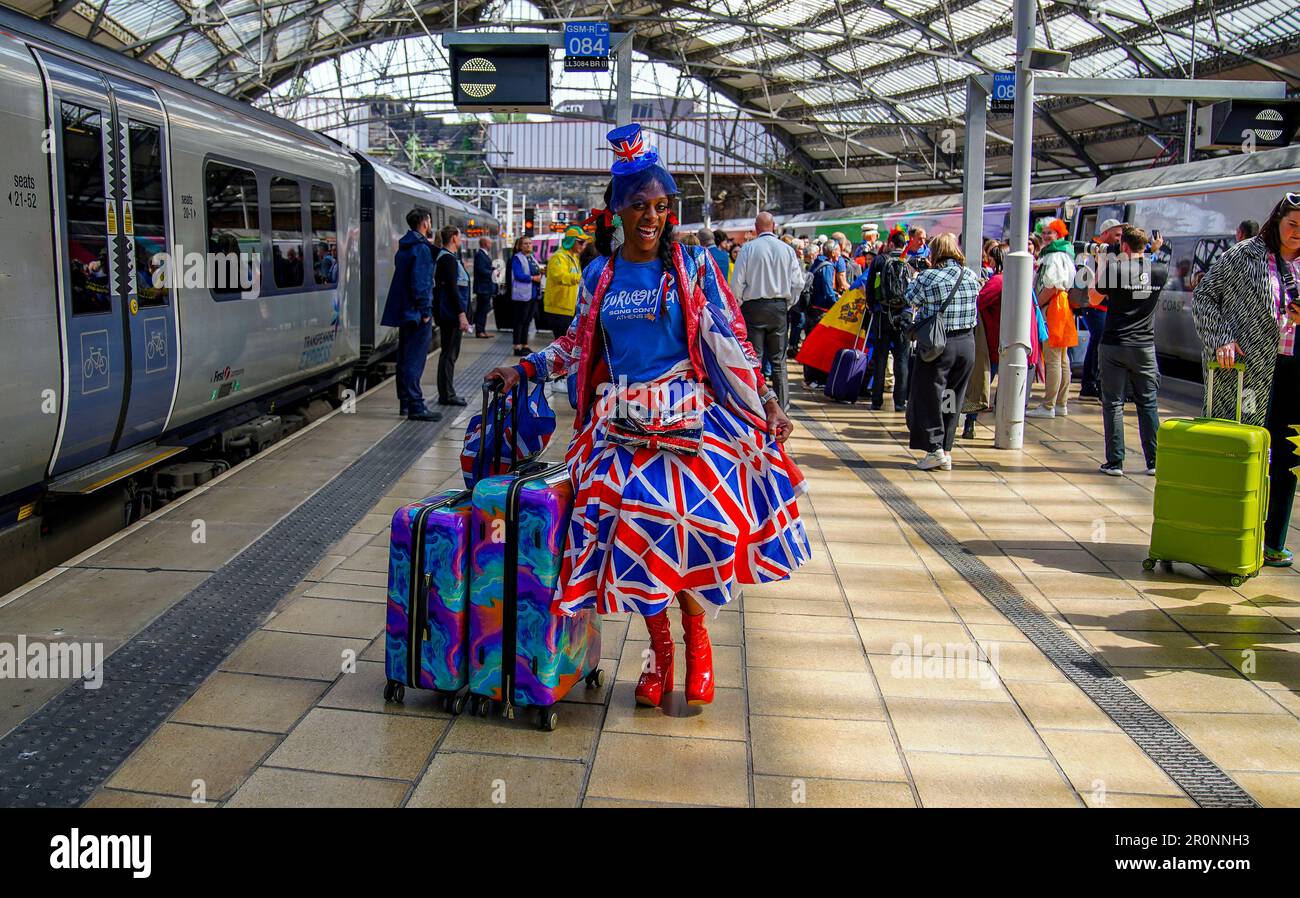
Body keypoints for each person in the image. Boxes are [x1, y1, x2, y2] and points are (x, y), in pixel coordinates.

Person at [484, 123, 809, 709]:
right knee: (633, 540)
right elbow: (579, 347)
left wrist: (768, 402)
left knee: (684, 534)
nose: (653, 217)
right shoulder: (598, 276)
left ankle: (698, 645)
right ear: (618, 213)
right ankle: (660, 657)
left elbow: (733, 339)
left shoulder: (696, 269)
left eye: (662, 206)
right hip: (619, 426)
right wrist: (524, 369)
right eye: (640, 206)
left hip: (689, 421)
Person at [1193, 193, 1300, 567]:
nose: (1298, 234)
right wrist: (1221, 337)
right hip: (1248, 371)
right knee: (1241, 450)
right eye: (1293, 225)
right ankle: (1226, 535)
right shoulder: (1246, 255)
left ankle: (1273, 541)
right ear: (1277, 221)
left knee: (1288, 455)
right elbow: (1205, 296)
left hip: (1293, 371)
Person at [1090, 226, 1164, 476]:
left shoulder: (1115, 269)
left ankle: (1115, 462)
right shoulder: (1159, 270)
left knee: (1113, 404)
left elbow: (1093, 298)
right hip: (1144, 346)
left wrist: (1100, 261)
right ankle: (1154, 461)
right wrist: (1154, 252)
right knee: (1148, 403)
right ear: (1145, 246)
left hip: (1114, 344)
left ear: (1123, 246)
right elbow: (1144, 269)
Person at [905, 233, 980, 470]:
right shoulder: (970, 275)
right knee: (952, 397)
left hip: (939, 345)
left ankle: (933, 449)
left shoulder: (929, 276)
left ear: (934, 252)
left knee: (929, 395)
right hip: (967, 344)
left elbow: (909, 298)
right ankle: (947, 448)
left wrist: (917, 275)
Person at [731, 211, 805, 409]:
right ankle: (783, 406)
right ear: (773, 227)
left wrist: (738, 304)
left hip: (753, 308)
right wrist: (787, 304)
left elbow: (737, 283)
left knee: (754, 359)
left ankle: (756, 405)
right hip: (779, 308)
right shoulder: (787, 250)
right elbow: (798, 282)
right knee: (779, 361)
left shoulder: (748, 249)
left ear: (756, 228)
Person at [380, 208, 441, 422]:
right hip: (417, 314)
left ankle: (405, 403)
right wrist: (425, 311)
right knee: (415, 359)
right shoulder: (421, 248)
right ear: (425, 222)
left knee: (404, 359)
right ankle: (416, 405)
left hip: (405, 312)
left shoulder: (405, 246)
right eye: (430, 220)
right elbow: (421, 282)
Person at [1027, 219, 1079, 418]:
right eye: (1045, 232)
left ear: (1059, 233)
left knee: (1053, 358)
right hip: (1061, 306)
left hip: (1053, 307)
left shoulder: (1054, 255)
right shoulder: (1064, 252)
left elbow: (1053, 285)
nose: (1047, 236)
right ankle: (1060, 404)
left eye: (1051, 233)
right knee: (1062, 358)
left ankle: (1048, 405)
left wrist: (1037, 304)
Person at [862, 228, 914, 413]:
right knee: (902, 359)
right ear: (905, 244)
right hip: (904, 317)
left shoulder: (879, 260)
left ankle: (876, 401)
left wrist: (874, 307)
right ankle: (900, 402)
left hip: (883, 314)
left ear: (891, 243)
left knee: (880, 358)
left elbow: (870, 288)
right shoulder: (909, 262)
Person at [1078, 218, 1126, 398]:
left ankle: (1093, 382)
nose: (1119, 239)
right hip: (1093, 305)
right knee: (1098, 339)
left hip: (1105, 307)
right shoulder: (1091, 252)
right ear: (1105, 233)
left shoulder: (1114, 253)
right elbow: (1085, 277)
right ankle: (1089, 383)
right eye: (1117, 235)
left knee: (1099, 341)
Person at [962, 241, 1003, 439]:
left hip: (992, 344)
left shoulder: (997, 282)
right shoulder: (1017, 279)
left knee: (979, 385)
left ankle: (969, 424)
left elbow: (978, 302)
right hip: (1014, 345)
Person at [432, 226, 472, 407]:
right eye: (460, 235)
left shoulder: (448, 258)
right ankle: (447, 394)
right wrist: (461, 314)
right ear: (454, 237)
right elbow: (451, 289)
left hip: (449, 313)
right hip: (450, 314)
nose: (461, 238)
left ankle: (448, 392)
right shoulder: (447, 259)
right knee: (449, 354)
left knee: (449, 353)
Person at [803, 239, 840, 390]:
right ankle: (816, 379)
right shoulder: (827, 267)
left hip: (812, 310)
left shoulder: (817, 263)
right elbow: (827, 291)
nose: (840, 253)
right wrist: (837, 302)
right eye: (838, 250)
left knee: (812, 344)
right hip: (821, 312)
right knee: (820, 347)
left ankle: (810, 377)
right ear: (832, 252)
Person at [543, 226, 587, 339]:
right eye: (580, 242)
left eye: (584, 242)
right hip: (559, 308)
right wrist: (583, 277)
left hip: (569, 308)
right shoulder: (558, 257)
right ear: (571, 241)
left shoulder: (574, 258)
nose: (583, 246)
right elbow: (561, 277)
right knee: (561, 342)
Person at [510, 235, 541, 354]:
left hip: (533, 294)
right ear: (520, 246)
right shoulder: (517, 258)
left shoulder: (532, 258)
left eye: (530, 243)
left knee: (528, 320)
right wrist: (533, 278)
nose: (528, 245)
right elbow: (518, 275)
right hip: (522, 296)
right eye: (525, 243)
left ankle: (525, 344)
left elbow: (535, 270)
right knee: (519, 321)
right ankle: (517, 346)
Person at [471, 235, 495, 339]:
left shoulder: (483, 255)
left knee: (484, 309)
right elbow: (481, 270)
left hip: (485, 287)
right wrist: (493, 272)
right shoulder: (480, 255)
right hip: (483, 288)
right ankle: (479, 330)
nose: (491, 245)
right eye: (489, 243)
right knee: (482, 309)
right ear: (485, 244)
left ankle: (482, 329)